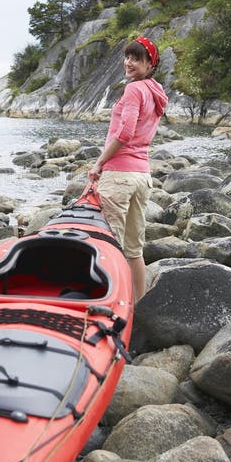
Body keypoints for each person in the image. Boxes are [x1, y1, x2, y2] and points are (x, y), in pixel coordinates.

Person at [88, 36, 167, 300]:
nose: (129, 63)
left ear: (150, 64)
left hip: (120, 175)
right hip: (142, 176)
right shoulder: (156, 91)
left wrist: (99, 162)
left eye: (137, 59)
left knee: (108, 247)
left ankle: (110, 305)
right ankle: (138, 304)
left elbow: (125, 133)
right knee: (134, 250)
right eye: (128, 57)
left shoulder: (134, 89)